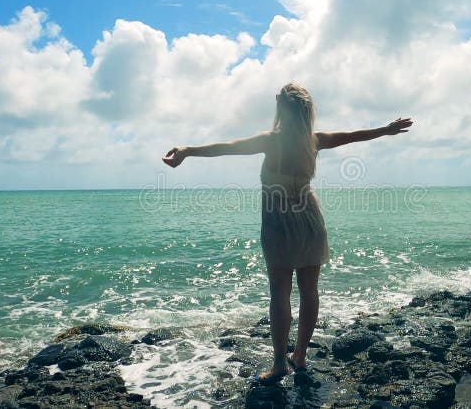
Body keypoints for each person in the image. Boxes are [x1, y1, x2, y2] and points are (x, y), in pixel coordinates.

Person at [162, 83, 412, 384]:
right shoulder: (315, 141)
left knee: (279, 293)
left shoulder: (272, 141)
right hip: (310, 221)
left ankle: (280, 362)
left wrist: (188, 151)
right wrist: (386, 130)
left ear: (281, 106)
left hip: (278, 223)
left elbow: (227, 147)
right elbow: (354, 135)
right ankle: (301, 355)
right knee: (309, 293)